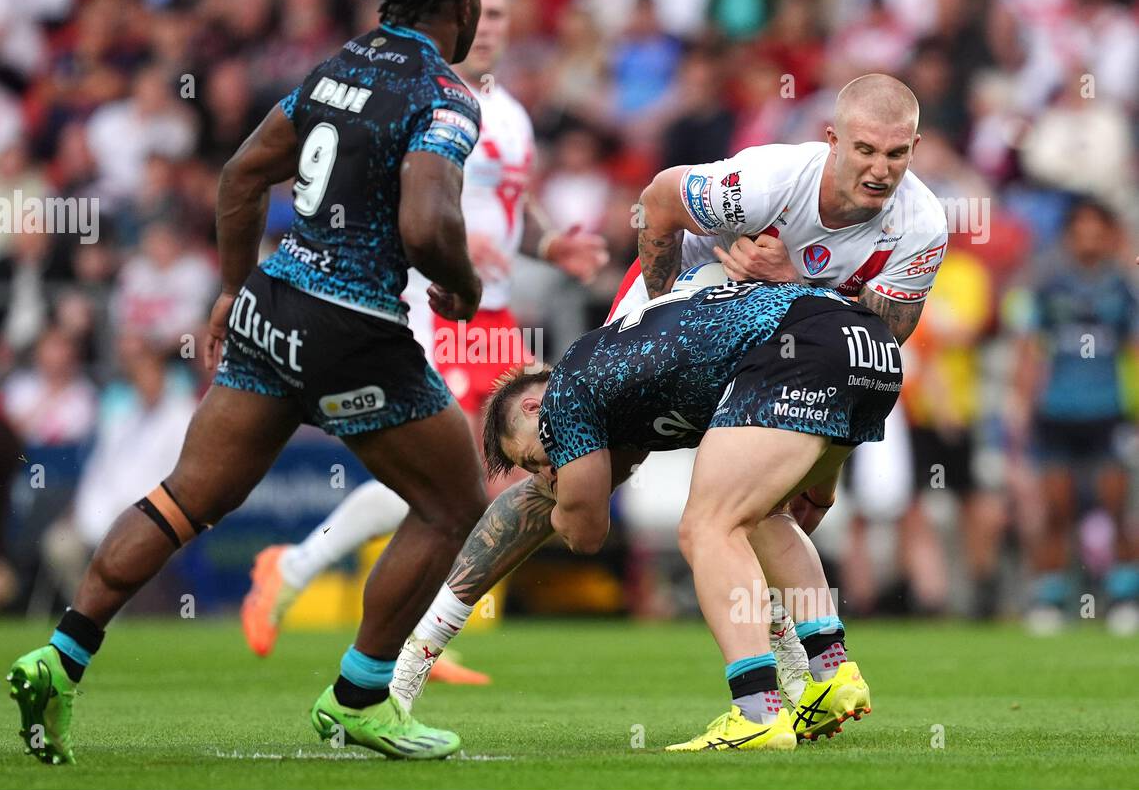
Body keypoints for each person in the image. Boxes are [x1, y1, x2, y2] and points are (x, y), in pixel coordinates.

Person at [6, 0, 490, 764]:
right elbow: (425, 220)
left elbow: (239, 176)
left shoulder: (335, 68)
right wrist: (467, 284)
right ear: (466, 7)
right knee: (455, 501)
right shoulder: (445, 95)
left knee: (185, 498)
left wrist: (230, 288)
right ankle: (360, 696)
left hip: (273, 304)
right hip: (353, 329)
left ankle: (62, 653)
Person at [385, 74, 948, 741]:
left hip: (789, 346)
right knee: (675, 496)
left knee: (722, 514)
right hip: (689, 301)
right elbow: (658, 202)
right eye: (864, 151)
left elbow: (880, 337)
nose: (880, 170)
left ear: (915, 147)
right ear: (832, 140)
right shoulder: (771, 182)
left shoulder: (923, 223)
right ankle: (413, 658)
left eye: (896, 154)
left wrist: (791, 287)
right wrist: (662, 319)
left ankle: (779, 698)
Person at [239, 0, 609, 665]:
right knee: (459, 479)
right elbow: (410, 202)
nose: (492, 25)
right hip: (435, 305)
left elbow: (510, 205)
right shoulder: (428, 98)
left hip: (492, 311)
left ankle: (396, 620)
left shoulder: (514, 114)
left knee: (495, 476)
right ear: (460, 19)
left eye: (502, 13)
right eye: (482, 12)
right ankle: (316, 583)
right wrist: (457, 248)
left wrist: (549, 242)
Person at [484, 276, 903, 749]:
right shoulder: (616, 374)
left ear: (534, 404)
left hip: (804, 344)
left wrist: (560, 513)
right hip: (872, 346)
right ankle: (832, 673)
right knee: (761, 515)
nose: (546, 475)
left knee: (708, 526)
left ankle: (757, 712)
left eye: (532, 460)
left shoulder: (563, 393)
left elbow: (586, 532)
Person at [1012, 199, 1138, 635]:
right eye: (1080, 227)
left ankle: (1124, 596)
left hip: (1108, 412)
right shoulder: (1049, 285)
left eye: (1096, 227)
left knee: (1116, 507)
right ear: (1069, 234)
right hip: (1057, 412)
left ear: (1108, 234)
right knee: (1056, 510)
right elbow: (1029, 349)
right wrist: (1021, 409)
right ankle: (1049, 597)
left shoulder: (1122, 287)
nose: (1088, 235)